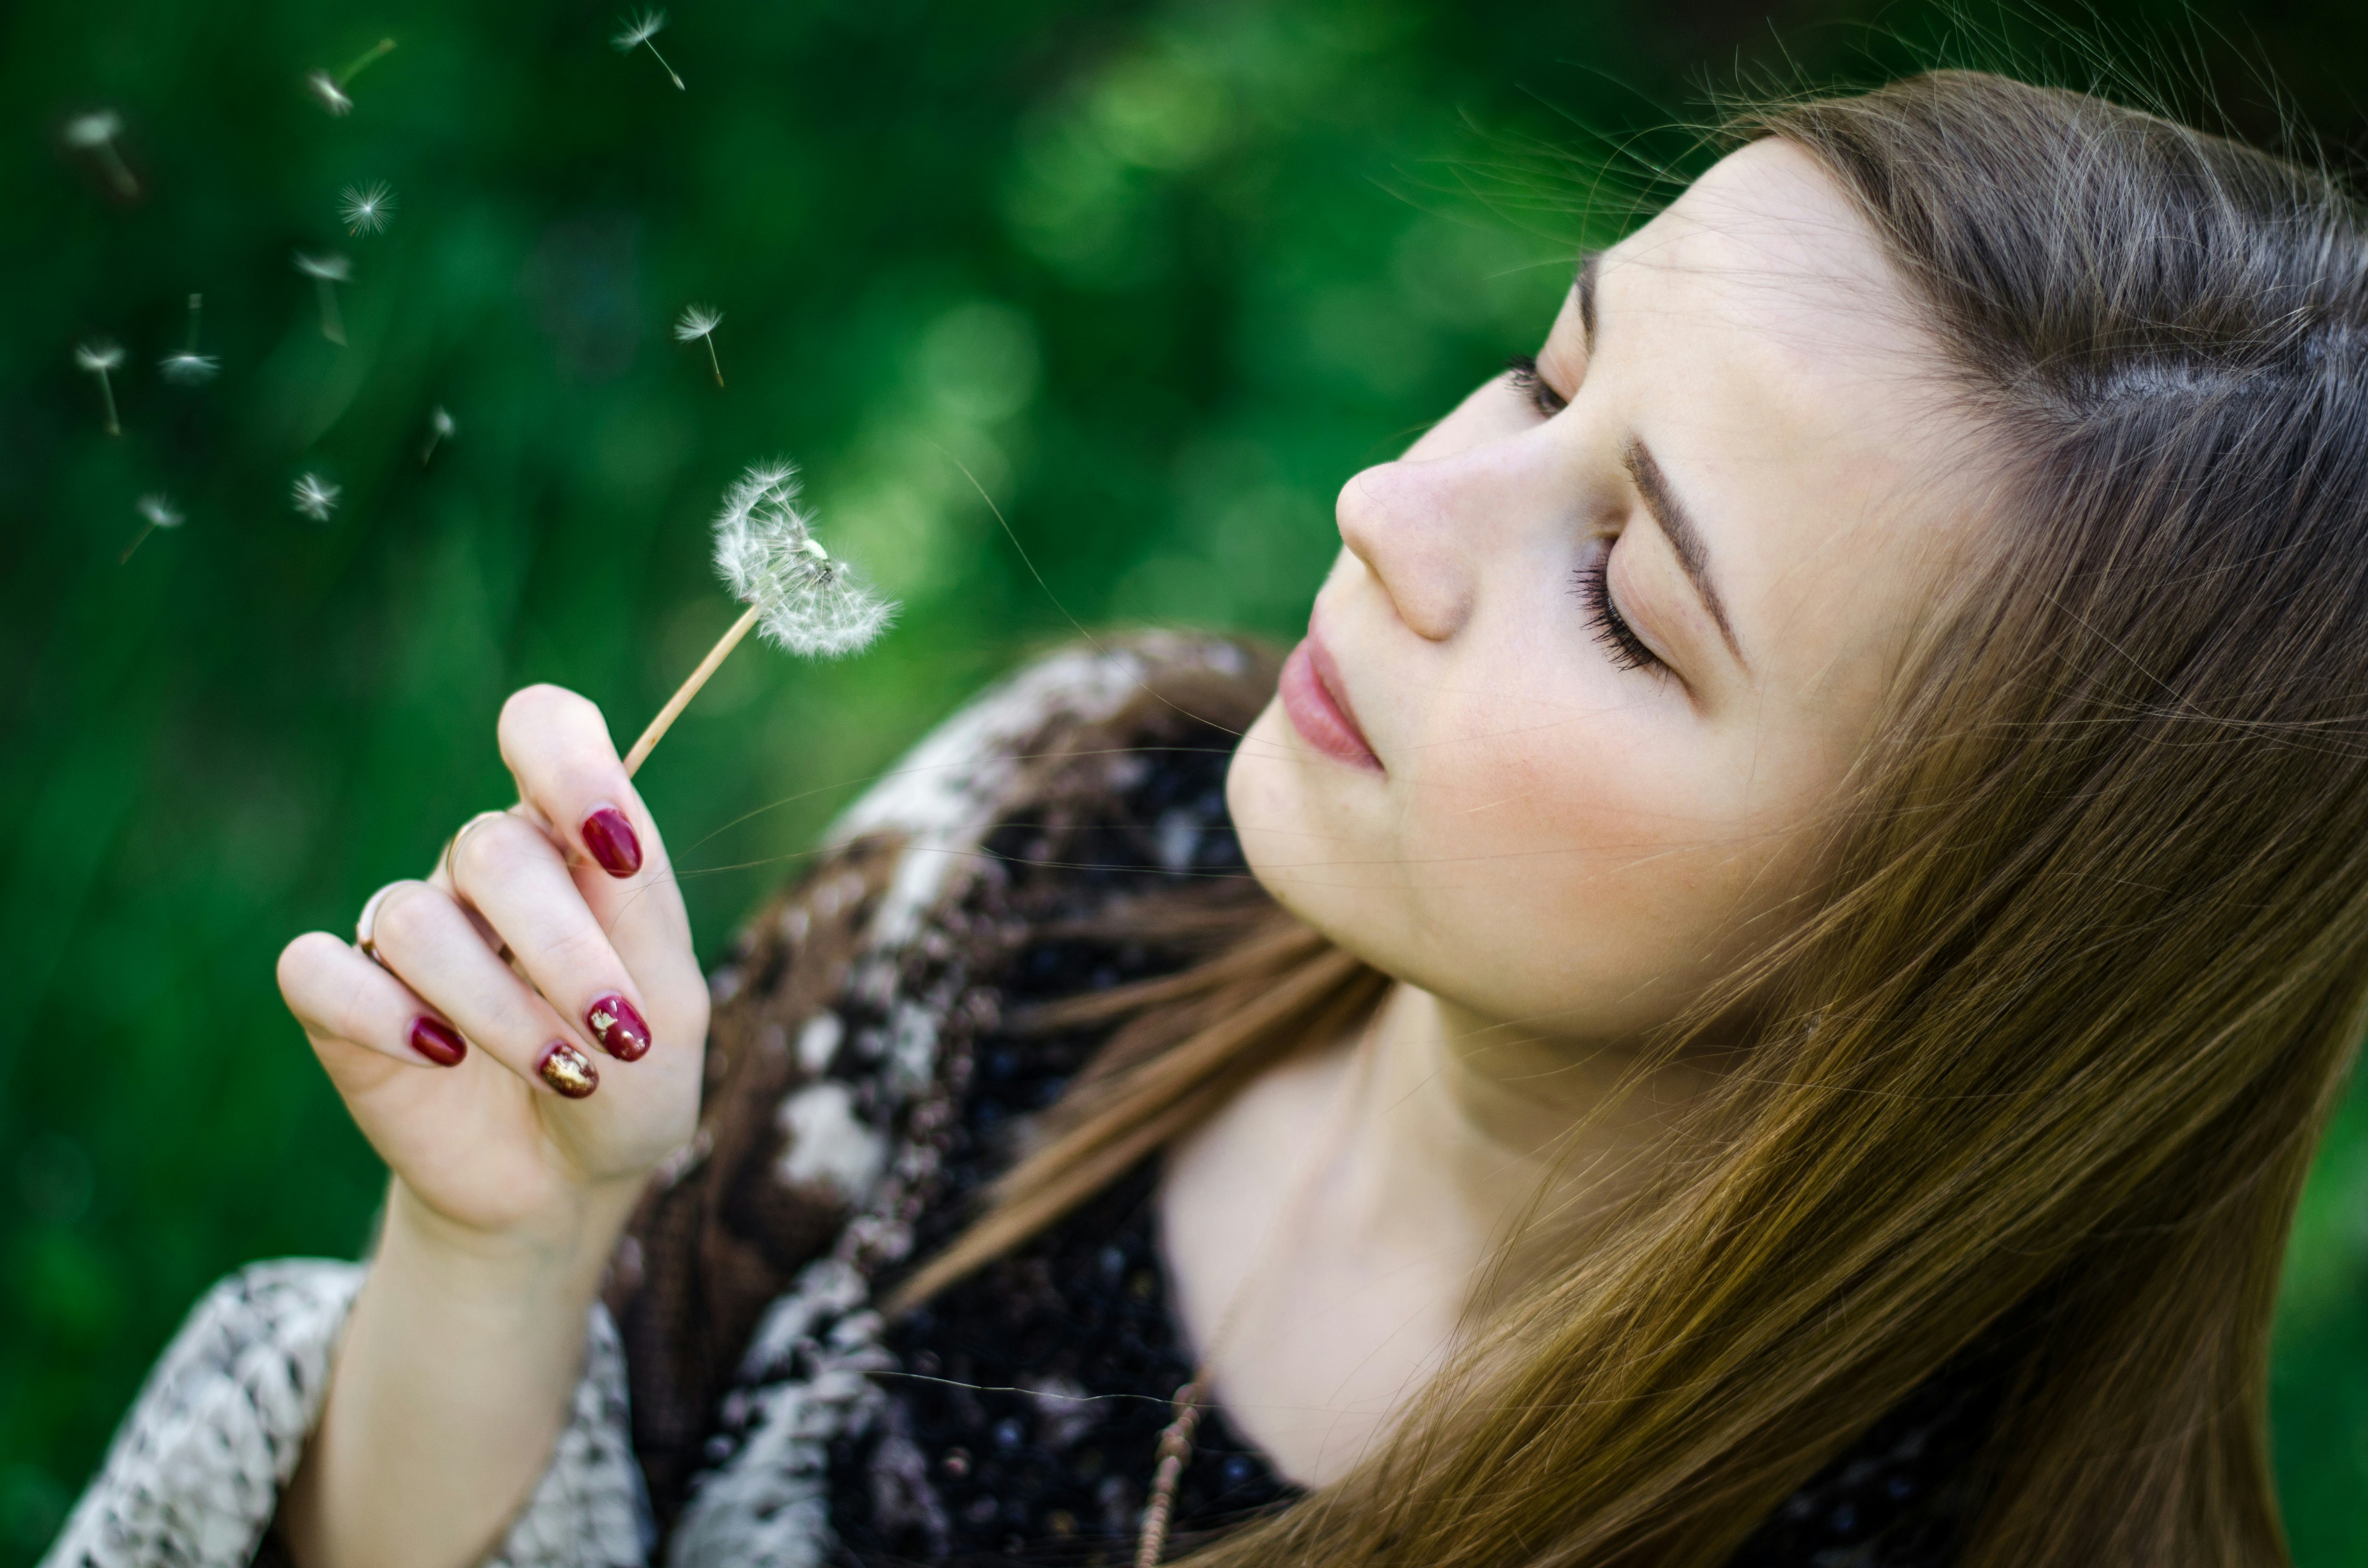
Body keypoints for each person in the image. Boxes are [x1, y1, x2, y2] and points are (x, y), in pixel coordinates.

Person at [46, 67, 2368, 1568]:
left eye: (1622, 600)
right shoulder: (1068, 819)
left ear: (1953, 958)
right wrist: (509, 1249)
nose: (1390, 508)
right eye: (1540, 375)